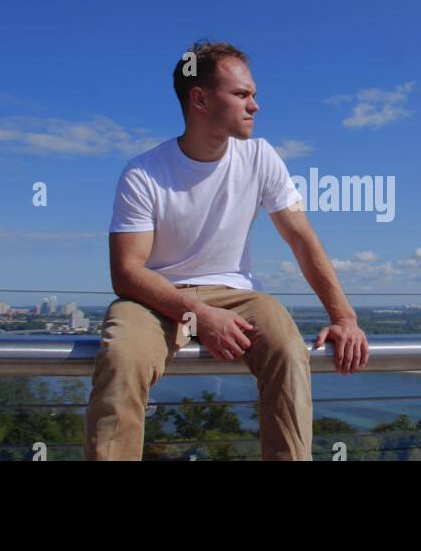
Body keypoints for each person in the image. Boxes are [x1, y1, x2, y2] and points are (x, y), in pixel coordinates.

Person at [84, 39, 369, 461]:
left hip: (237, 295)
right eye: (241, 94)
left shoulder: (260, 156)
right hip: (154, 298)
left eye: (253, 94)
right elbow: (126, 272)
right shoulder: (144, 172)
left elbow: (301, 239)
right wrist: (197, 314)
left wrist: (344, 318)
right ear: (199, 98)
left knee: (289, 350)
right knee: (122, 358)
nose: (255, 105)